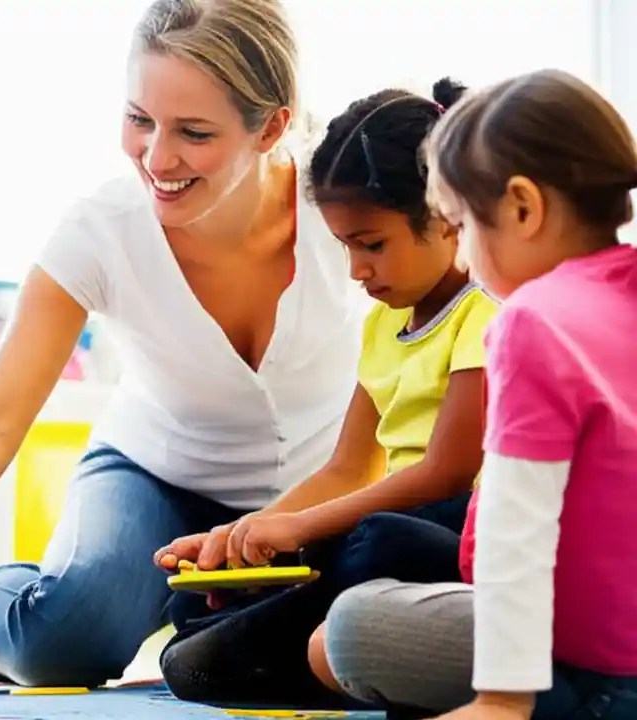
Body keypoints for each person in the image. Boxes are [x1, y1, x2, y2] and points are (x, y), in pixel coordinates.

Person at [0, 0, 368, 690]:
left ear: (272, 126)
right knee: (69, 641)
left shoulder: (347, 206)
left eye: (193, 132)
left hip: (322, 486)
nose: (157, 158)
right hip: (156, 474)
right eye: (139, 121)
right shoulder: (100, 232)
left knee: (323, 643)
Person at [152, 78, 497, 706]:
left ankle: (313, 647)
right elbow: (347, 468)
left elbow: (448, 473)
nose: (356, 271)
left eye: (373, 246)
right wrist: (246, 535)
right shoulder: (381, 324)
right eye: (344, 246)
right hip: (386, 531)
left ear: (447, 219)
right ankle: (296, 643)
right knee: (191, 610)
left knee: (378, 540)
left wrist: (304, 528)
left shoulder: (487, 314)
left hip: (456, 536)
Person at [320, 69, 637, 720]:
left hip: (594, 674)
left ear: (522, 208)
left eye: (461, 226)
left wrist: (501, 699)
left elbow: (516, 525)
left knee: (349, 631)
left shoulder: (531, 320)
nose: (462, 252)